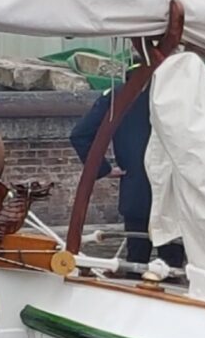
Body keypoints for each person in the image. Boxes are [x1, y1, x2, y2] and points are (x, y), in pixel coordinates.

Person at [69, 81, 185, 268]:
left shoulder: (119, 94)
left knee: (135, 264)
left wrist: (104, 169)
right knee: (172, 268)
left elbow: (80, 135)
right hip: (173, 191)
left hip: (136, 190)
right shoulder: (177, 91)